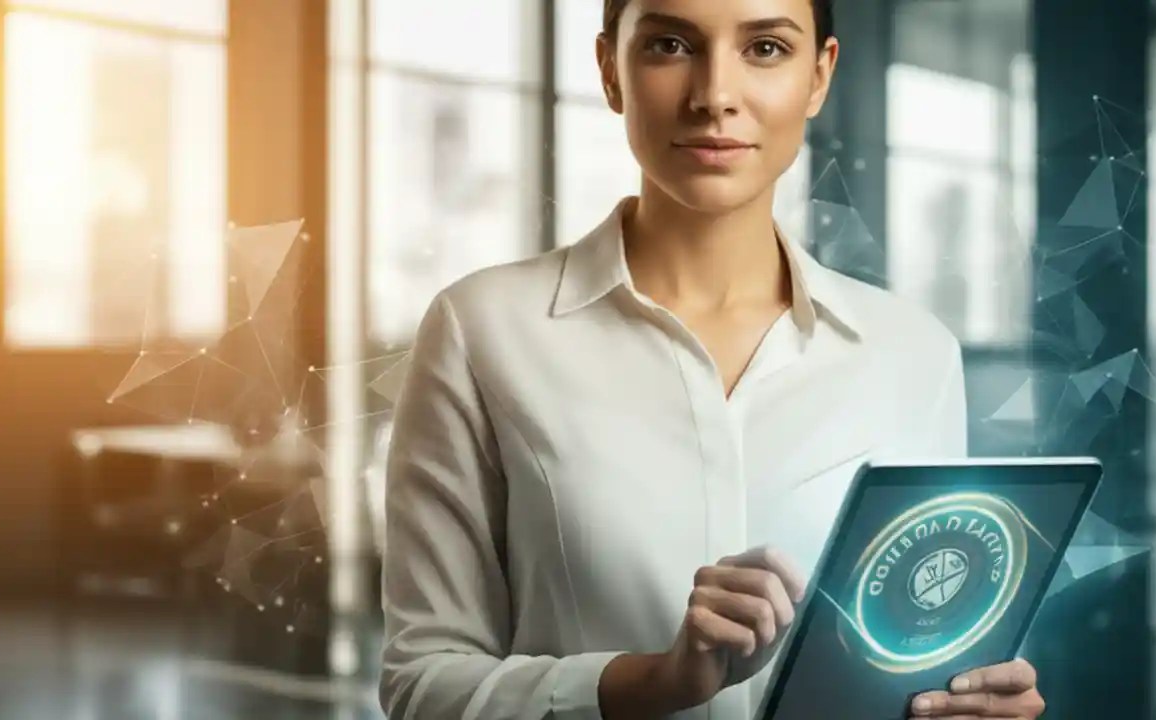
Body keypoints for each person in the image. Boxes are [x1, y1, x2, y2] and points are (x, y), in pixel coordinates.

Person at [379, 1, 1047, 718]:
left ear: (818, 76)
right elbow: (423, 683)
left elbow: (919, 651)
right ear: (611, 70)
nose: (714, 96)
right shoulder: (482, 331)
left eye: (764, 48)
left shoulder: (914, 355)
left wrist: (964, 703)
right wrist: (650, 683)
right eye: (670, 45)